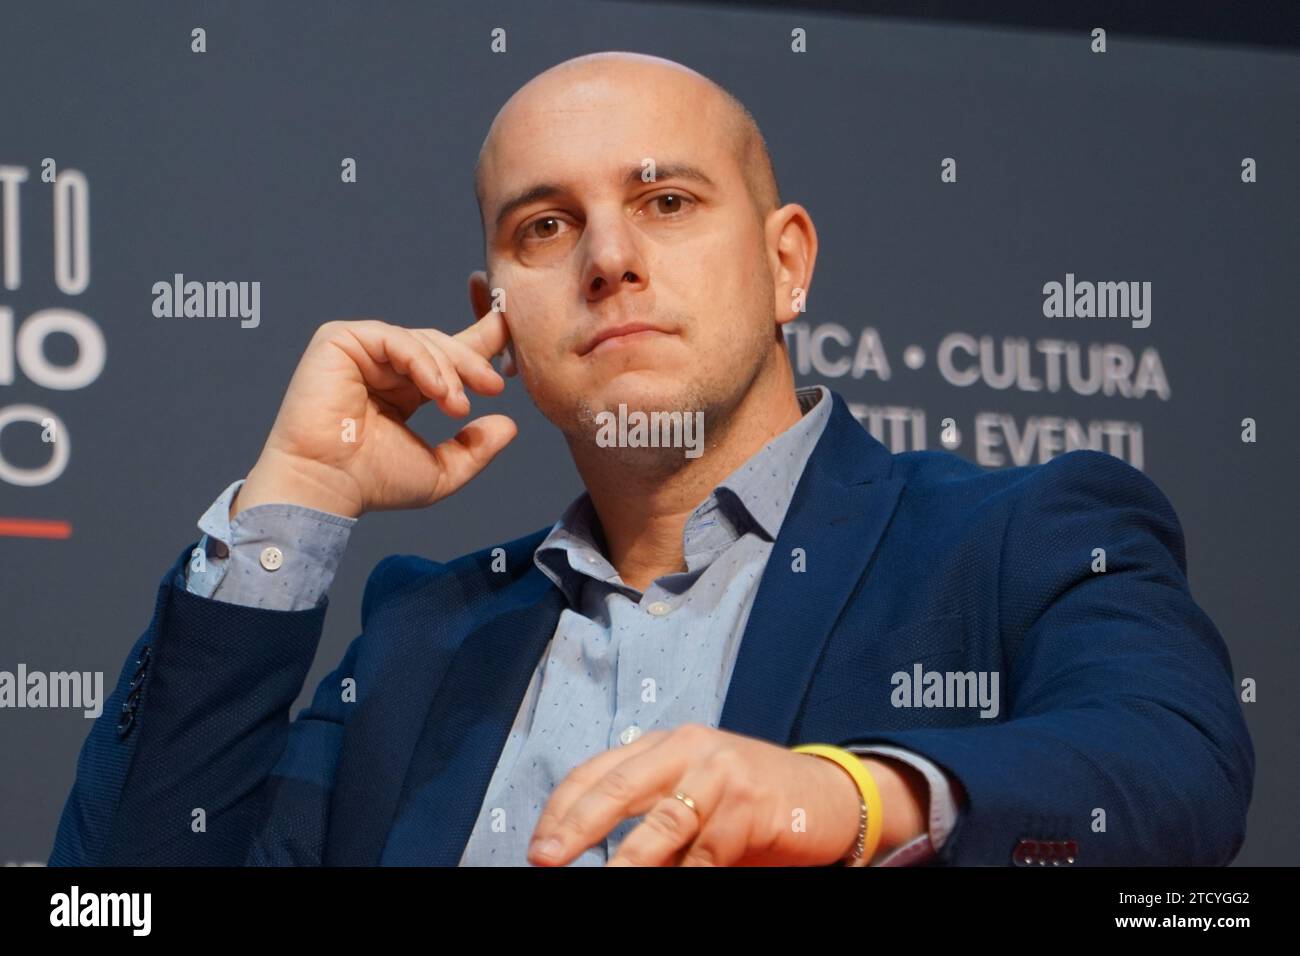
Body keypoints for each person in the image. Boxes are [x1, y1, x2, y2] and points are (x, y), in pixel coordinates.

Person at [48, 51, 1253, 867]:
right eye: (545, 224)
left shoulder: (1015, 533)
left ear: (787, 264)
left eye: (666, 201)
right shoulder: (420, 640)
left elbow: (1172, 768)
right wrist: (296, 497)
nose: (608, 256)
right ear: (496, 312)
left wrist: (837, 796)